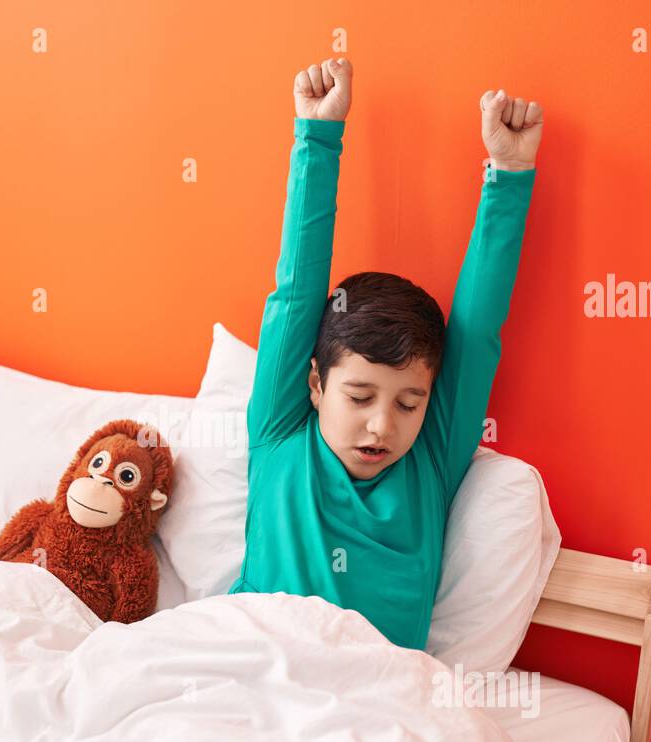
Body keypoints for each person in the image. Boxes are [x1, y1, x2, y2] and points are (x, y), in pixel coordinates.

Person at [226, 57, 543, 652]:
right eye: (360, 396)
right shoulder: (279, 432)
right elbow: (295, 293)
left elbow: (476, 333)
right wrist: (318, 138)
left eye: (408, 402)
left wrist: (510, 172)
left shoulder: (430, 458)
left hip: (372, 696)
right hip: (252, 659)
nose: (382, 425)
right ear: (315, 385)